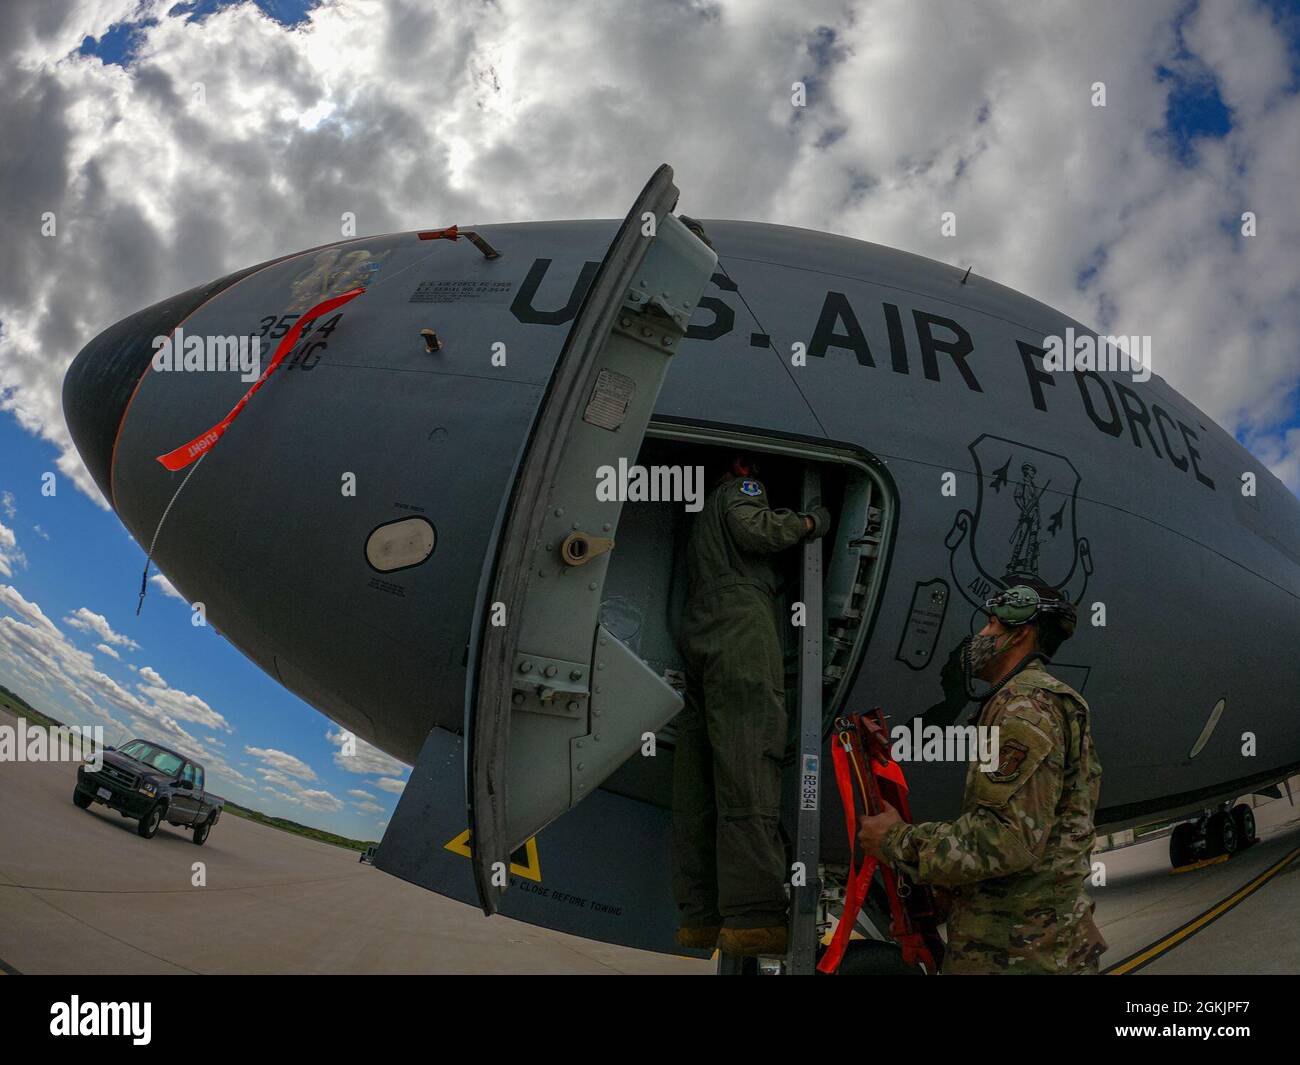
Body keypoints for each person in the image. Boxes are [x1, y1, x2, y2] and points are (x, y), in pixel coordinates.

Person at [858, 580, 1107, 974]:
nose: (981, 635)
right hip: (1030, 948)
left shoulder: (1022, 709)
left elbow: (1006, 839)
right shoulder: (1031, 701)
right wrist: (952, 893)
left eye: (991, 625)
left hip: (1019, 957)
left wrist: (895, 839)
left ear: (1019, 635)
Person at [671, 453, 831, 957]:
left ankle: (701, 916)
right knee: (748, 761)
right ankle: (754, 916)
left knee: (698, 781)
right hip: (742, 623)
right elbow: (757, 532)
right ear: (744, 468)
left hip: (700, 628)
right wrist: (811, 521)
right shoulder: (742, 491)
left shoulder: (699, 516)